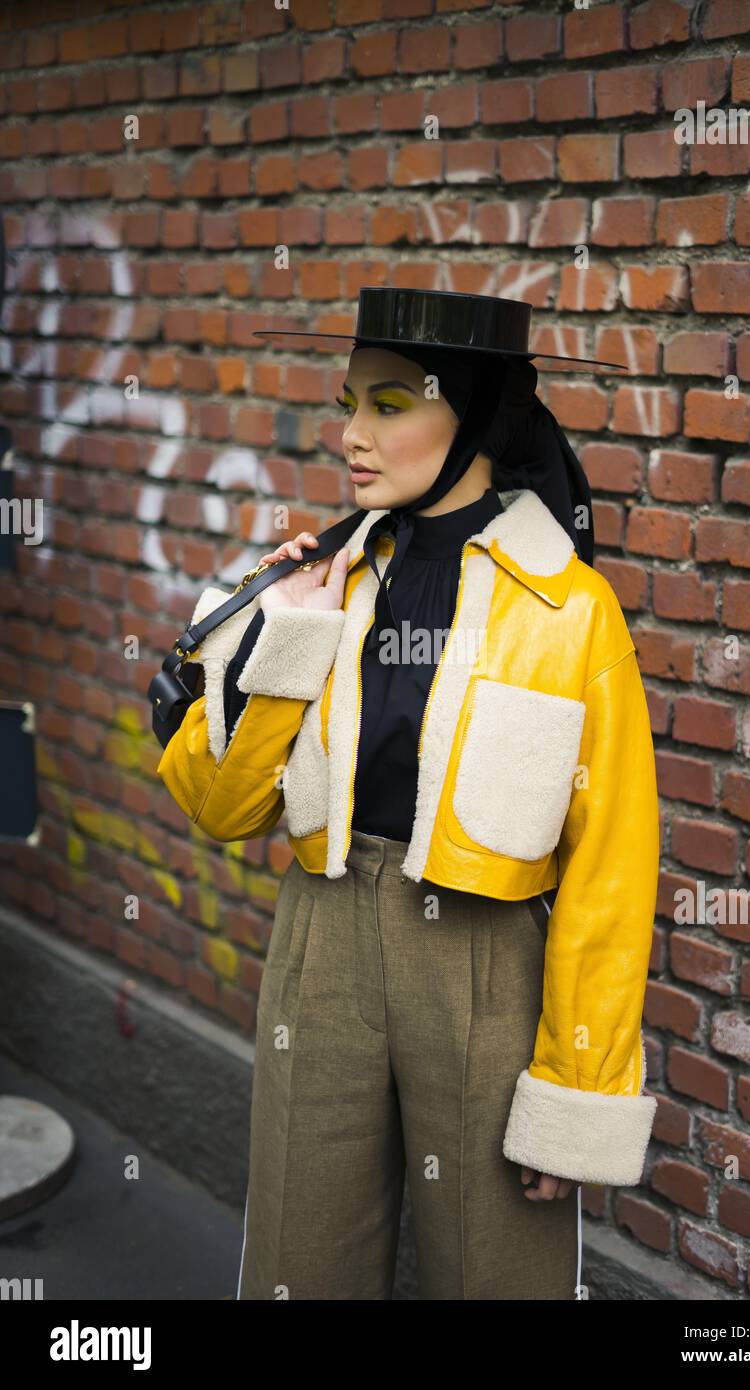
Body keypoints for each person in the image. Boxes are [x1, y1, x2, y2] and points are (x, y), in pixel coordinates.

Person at [156, 288, 659, 1300]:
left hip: (482, 969)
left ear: (472, 412)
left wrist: (575, 1086)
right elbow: (221, 808)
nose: (350, 435)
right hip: (321, 945)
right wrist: (288, 636)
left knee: (495, 1271)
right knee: (301, 1256)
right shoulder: (319, 578)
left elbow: (608, 866)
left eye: (388, 405)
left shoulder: (568, 609)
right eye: (347, 404)